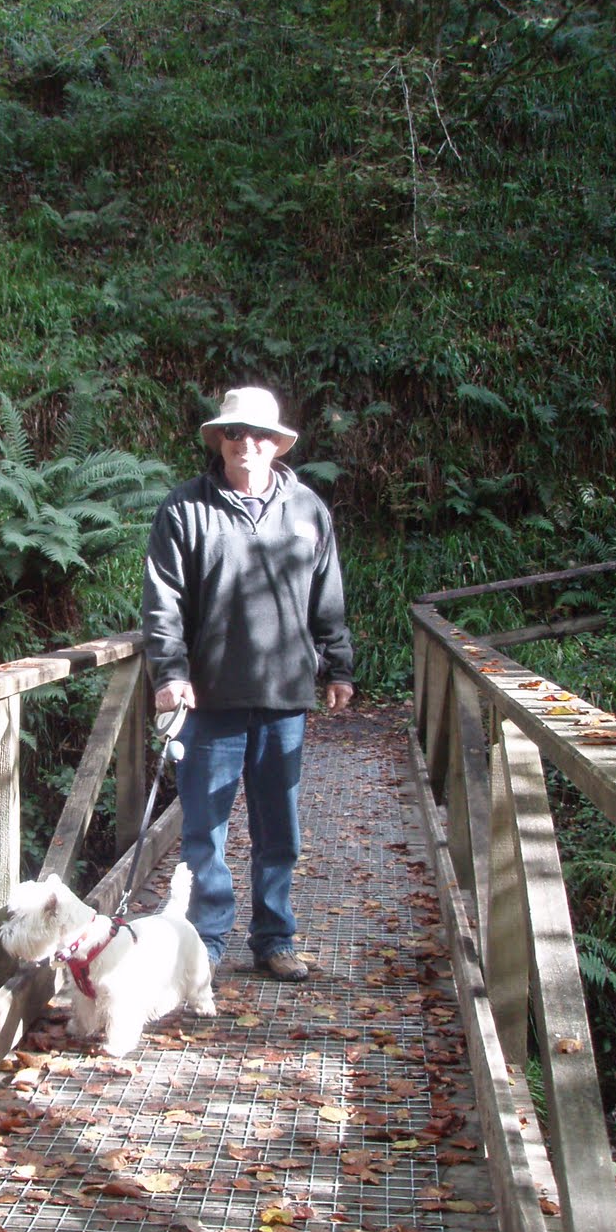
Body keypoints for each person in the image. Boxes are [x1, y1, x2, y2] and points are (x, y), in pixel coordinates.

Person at [141, 387, 355, 982]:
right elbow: (163, 604)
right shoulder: (184, 509)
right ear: (221, 440)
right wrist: (171, 674)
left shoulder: (309, 509)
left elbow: (327, 597)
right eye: (235, 433)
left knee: (277, 826)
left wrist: (338, 665)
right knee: (204, 828)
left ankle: (274, 939)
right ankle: (205, 944)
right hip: (208, 698)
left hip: (285, 695)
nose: (247, 444)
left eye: (259, 435)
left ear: (277, 444)